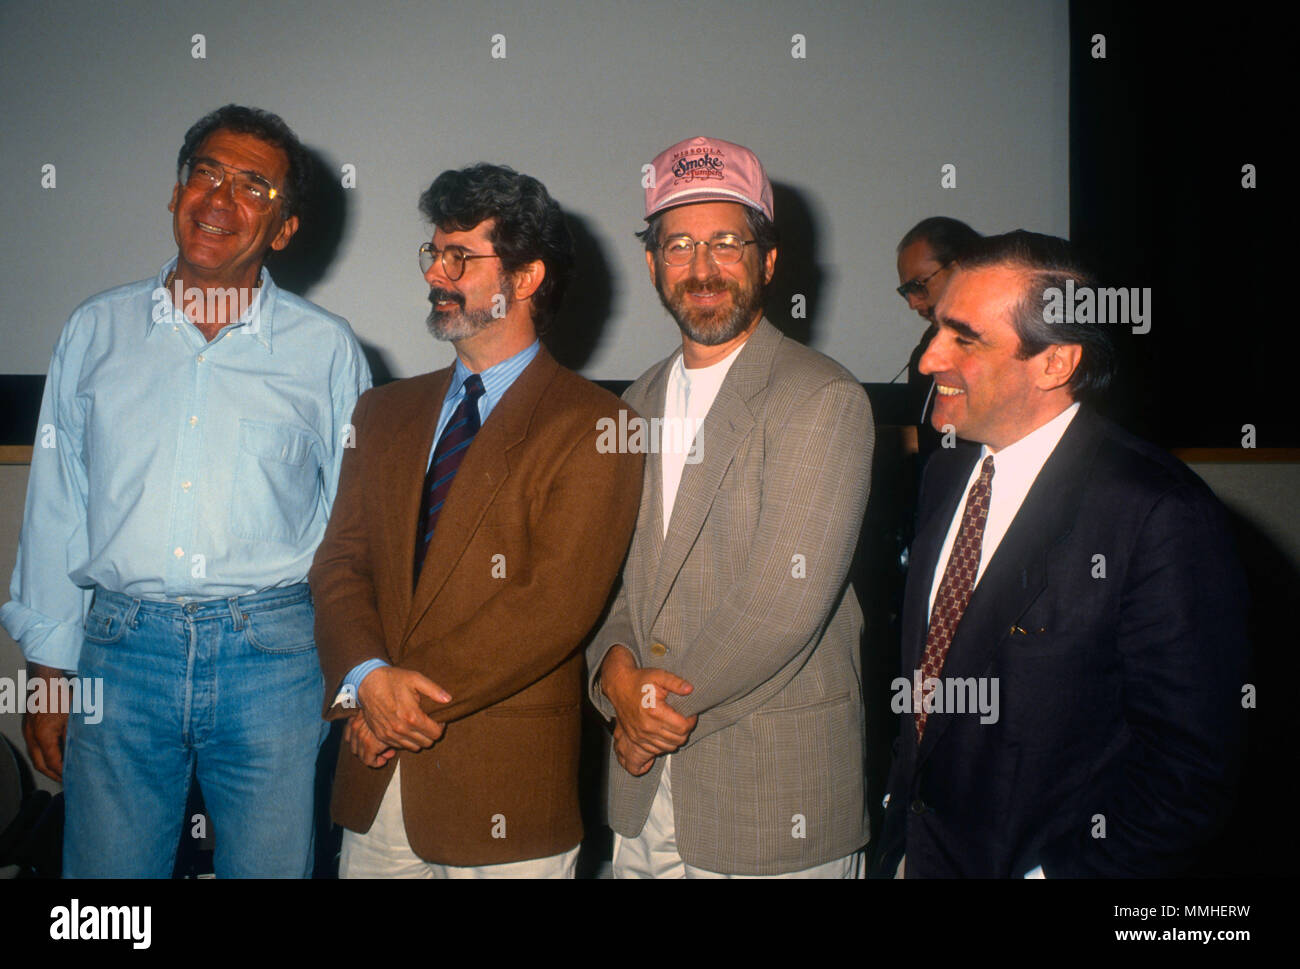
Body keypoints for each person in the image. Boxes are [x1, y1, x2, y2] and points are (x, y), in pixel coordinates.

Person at [1, 104, 371, 876]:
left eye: (252, 187)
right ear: (176, 195)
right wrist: (46, 670)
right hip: (120, 652)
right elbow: (56, 506)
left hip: (274, 655)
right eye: (205, 172)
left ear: (284, 228)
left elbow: (355, 528)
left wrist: (360, 671)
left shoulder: (325, 351)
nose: (217, 198)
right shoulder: (94, 332)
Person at [873, 230, 1248, 877]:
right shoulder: (946, 474)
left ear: (1055, 363)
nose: (930, 358)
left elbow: (1188, 774)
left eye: (964, 338)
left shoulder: (1156, 513)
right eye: (936, 329)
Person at [310, 163, 642, 878]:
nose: (438, 272)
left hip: (507, 799)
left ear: (524, 279)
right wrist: (367, 681)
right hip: (376, 784)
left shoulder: (599, 424)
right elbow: (340, 566)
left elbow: (551, 606)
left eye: (462, 256)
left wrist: (392, 704)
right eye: (434, 252)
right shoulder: (383, 412)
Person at [587, 136, 874, 877]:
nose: (703, 268)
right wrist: (615, 675)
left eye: (727, 242)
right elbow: (614, 580)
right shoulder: (632, 404)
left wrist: (647, 716)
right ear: (652, 264)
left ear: (768, 260)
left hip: (769, 802)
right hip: (642, 802)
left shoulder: (822, 395)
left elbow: (783, 601)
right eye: (678, 244)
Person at [895, 217, 980, 458]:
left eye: (919, 285)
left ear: (962, 265)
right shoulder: (923, 351)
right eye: (906, 292)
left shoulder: (1003, 348)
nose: (912, 303)